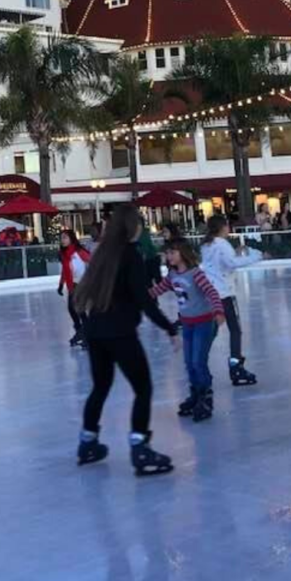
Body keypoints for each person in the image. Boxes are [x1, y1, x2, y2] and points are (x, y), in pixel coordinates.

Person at [74, 204, 178, 476]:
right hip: (119, 332)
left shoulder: (102, 254)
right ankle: (140, 446)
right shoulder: (130, 255)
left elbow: (83, 295)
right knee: (143, 388)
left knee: (100, 387)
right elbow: (144, 300)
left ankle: (88, 442)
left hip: (96, 332)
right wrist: (169, 327)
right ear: (132, 227)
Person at [150, 238, 224, 422]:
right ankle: (196, 395)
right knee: (189, 363)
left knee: (198, 361)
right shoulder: (172, 275)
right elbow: (157, 290)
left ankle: (206, 398)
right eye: (167, 253)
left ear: (183, 253)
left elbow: (212, 292)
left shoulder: (195, 274)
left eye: (172, 252)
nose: (168, 256)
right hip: (188, 324)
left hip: (204, 323)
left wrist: (218, 311)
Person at [201, 215, 261, 386]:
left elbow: (221, 263)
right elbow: (232, 263)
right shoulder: (221, 243)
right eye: (227, 226)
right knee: (235, 330)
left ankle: (199, 363)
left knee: (211, 331)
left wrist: (235, 252)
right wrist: (257, 257)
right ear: (222, 227)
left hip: (210, 294)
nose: (229, 229)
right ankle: (236, 366)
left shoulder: (206, 245)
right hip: (224, 294)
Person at [58, 229, 90, 349]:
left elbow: (92, 260)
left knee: (78, 310)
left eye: (65, 237)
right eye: (61, 238)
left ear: (71, 238)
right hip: (72, 285)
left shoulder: (79, 251)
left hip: (82, 284)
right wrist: (61, 284)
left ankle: (84, 334)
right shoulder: (64, 254)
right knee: (72, 310)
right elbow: (65, 271)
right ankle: (81, 332)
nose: (63, 240)